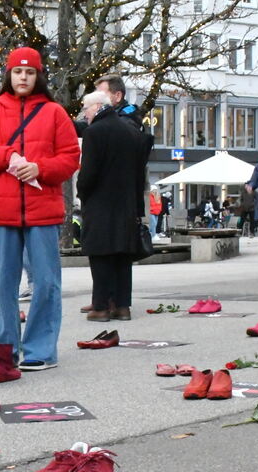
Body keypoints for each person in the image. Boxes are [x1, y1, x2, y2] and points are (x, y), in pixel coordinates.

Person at [0, 46, 80, 372]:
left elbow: (69, 158)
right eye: (18, 71)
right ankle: (6, 348)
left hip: (42, 211)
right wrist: (7, 156)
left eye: (30, 72)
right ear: (8, 74)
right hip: (0, 212)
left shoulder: (54, 113)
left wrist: (40, 169)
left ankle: (39, 349)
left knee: (46, 282)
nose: (23, 77)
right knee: (5, 285)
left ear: (38, 76)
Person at [77, 89, 149, 322]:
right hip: (126, 204)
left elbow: (88, 173)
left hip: (100, 204)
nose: (84, 116)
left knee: (100, 256)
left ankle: (100, 307)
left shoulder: (94, 132)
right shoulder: (130, 131)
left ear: (97, 107)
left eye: (86, 110)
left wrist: (82, 194)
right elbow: (139, 173)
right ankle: (122, 306)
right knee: (122, 257)